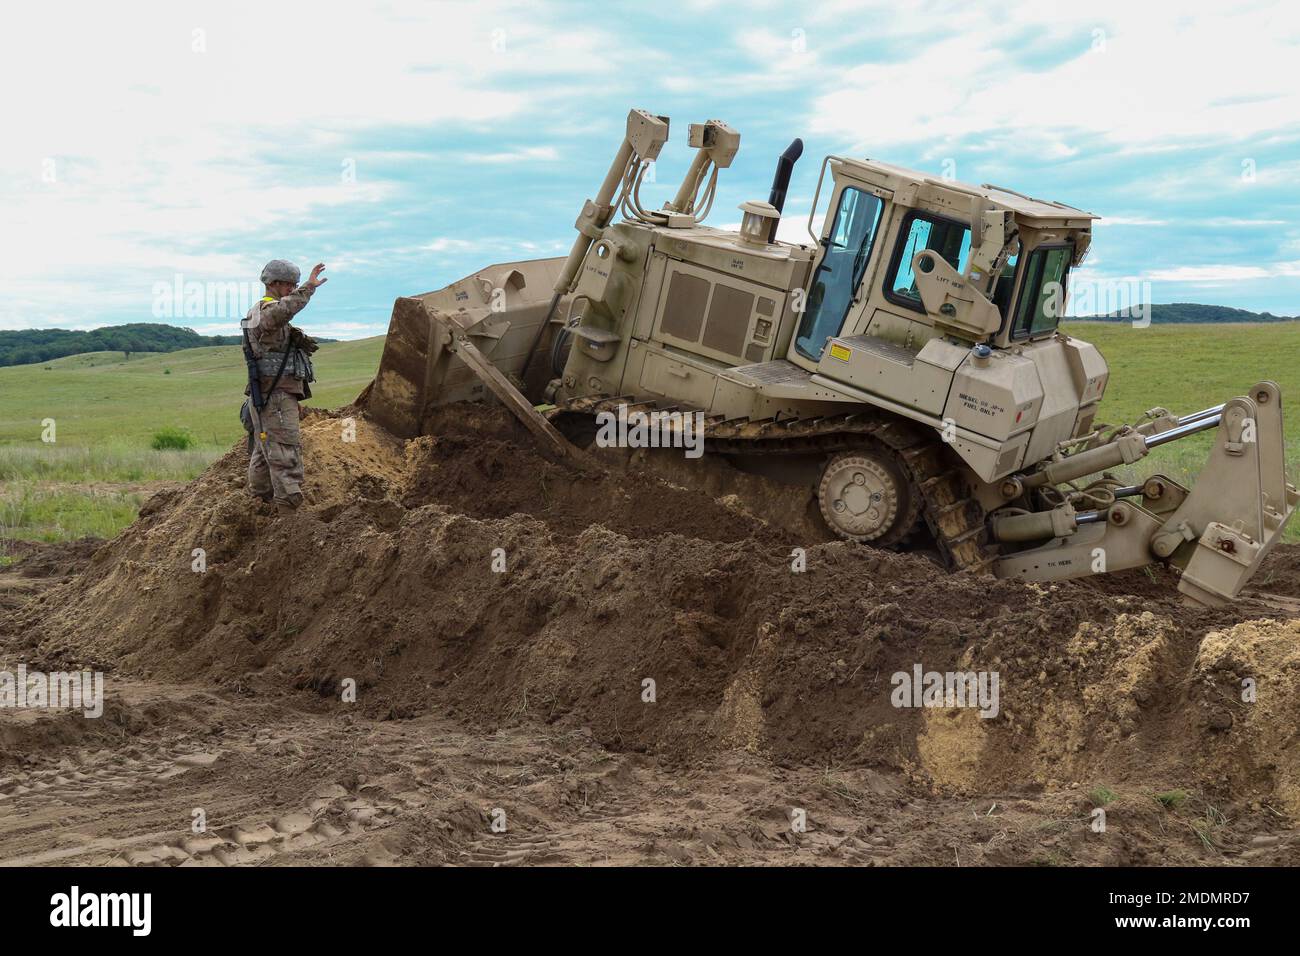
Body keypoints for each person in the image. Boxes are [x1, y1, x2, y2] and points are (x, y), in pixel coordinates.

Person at [243, 259, 327, 512]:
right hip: (276, 397)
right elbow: (284, 310)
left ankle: (261, 507)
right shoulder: (265, 311)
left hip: (271, 395)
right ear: (275, 284)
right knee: (285, 454)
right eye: (290, 285)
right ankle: (289, 520)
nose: (293, 289)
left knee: (264, 450)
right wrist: (309, 289)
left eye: (296, 285)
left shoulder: (265, 311)